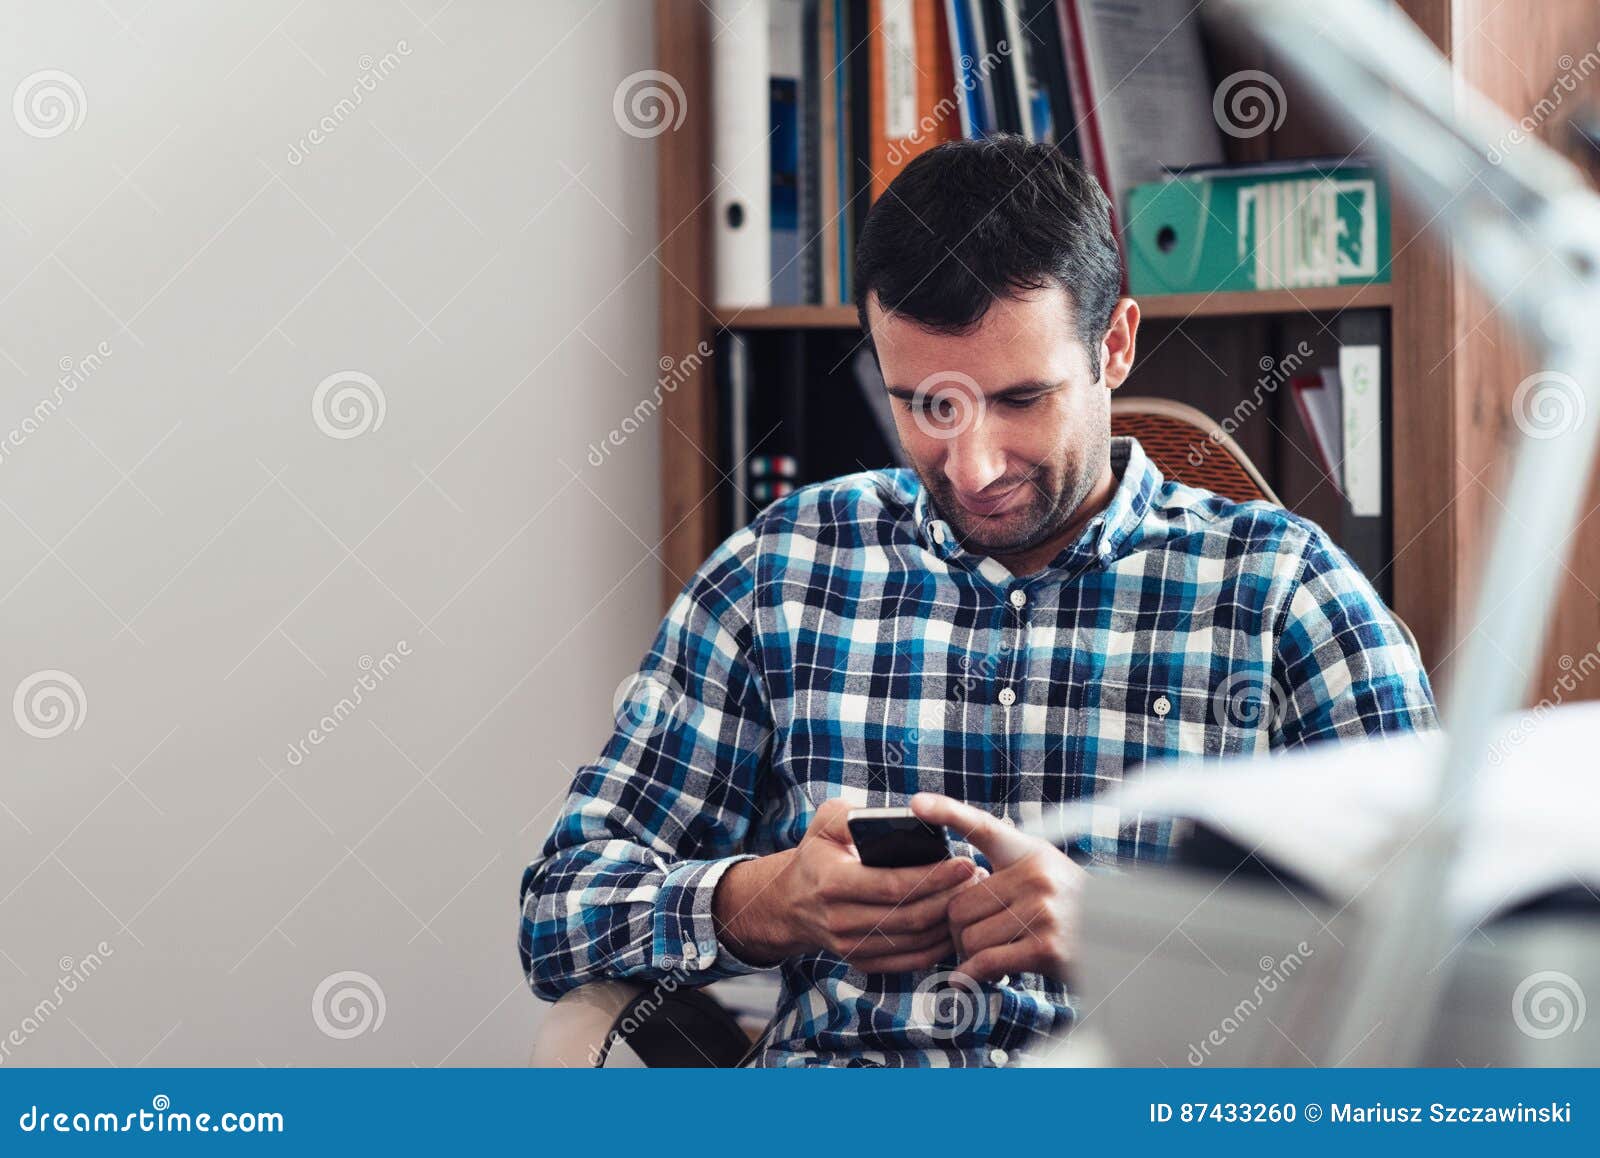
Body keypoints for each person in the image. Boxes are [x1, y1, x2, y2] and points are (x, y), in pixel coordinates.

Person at [518, 135, 1437, 1067]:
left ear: (1114, 344)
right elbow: (561, 908)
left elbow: (1457, 974)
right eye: (926, 405)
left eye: (1021, 399)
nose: (973, 466)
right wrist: (771, 900)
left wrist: (1129, 944)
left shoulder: (1286, 596)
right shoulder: (780, 571)